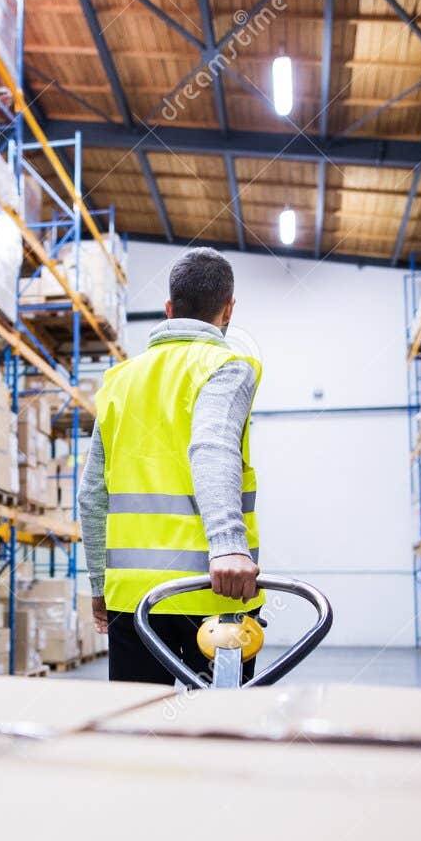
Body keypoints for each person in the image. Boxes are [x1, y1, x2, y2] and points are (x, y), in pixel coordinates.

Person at [78, 246, 261, 685]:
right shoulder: (228, 366)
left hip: (134, 601)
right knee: (217, 732)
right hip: (214, 594)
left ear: (168, 308)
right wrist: (229, 545)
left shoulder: (118, 380)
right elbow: (212, 446)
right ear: (228, 308)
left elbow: (91, 495)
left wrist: (99, 582)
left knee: (136, 732)